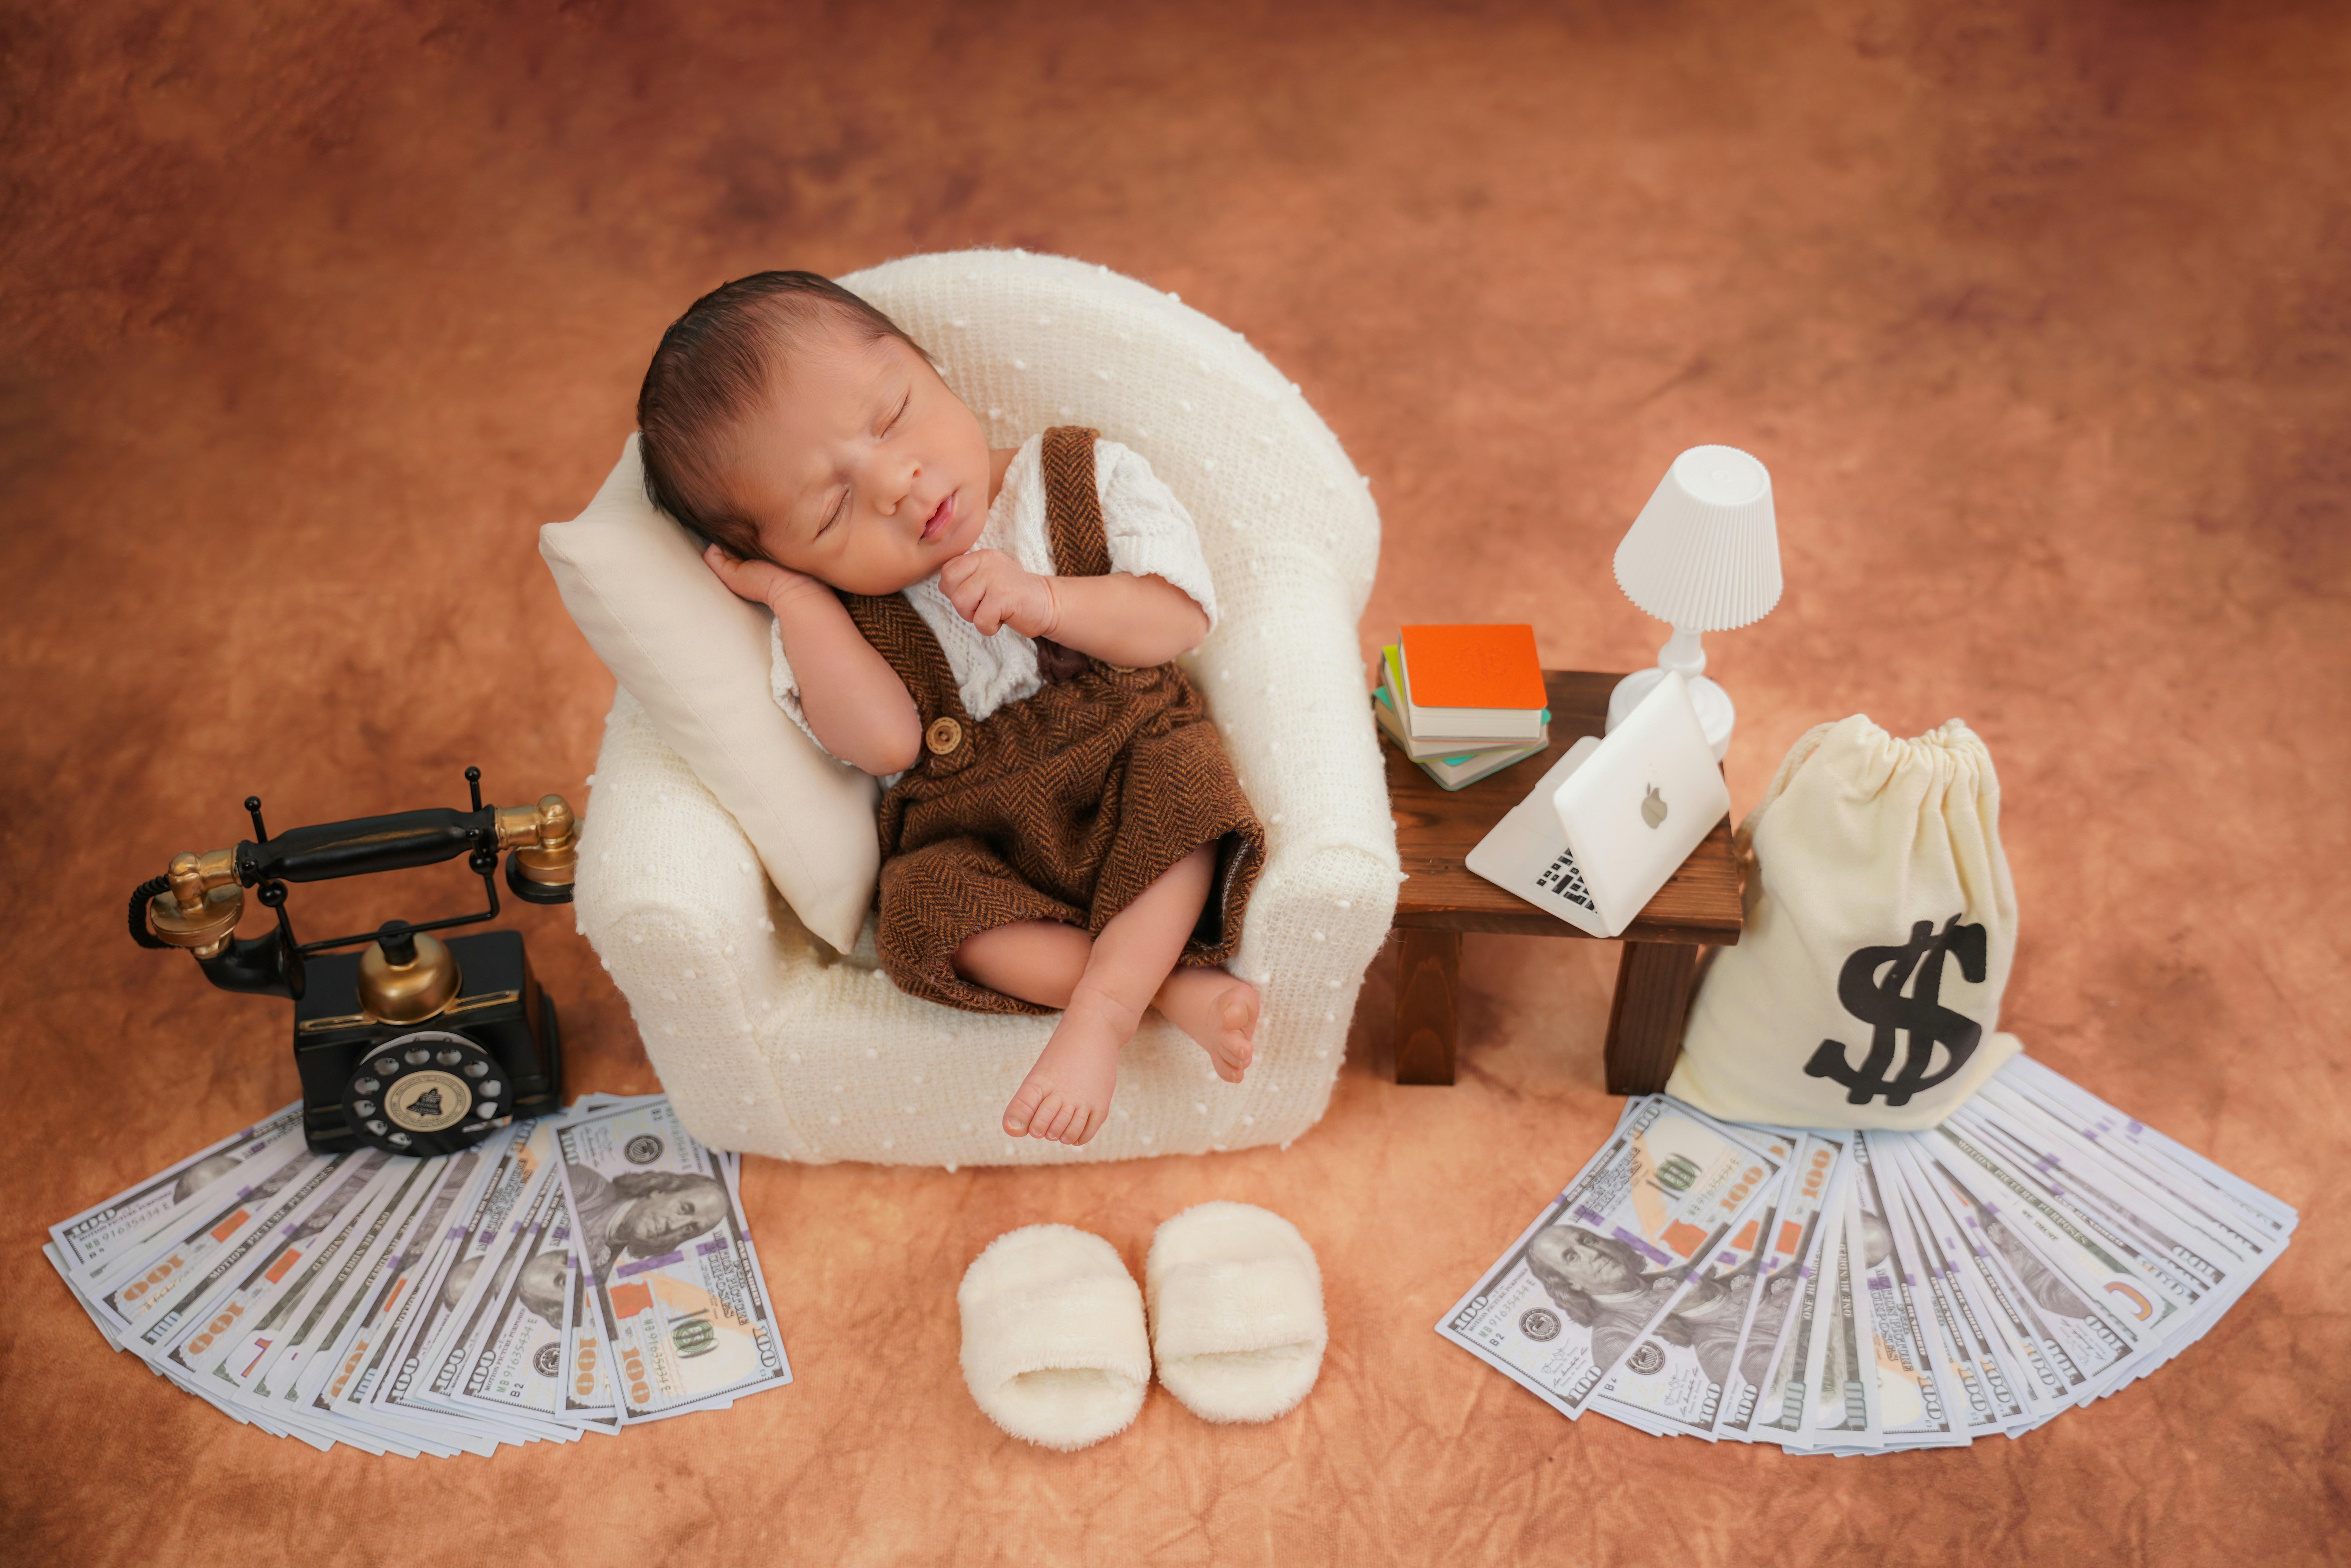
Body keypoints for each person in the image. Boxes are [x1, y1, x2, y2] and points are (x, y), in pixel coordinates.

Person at [636, 272, 1266, 1148]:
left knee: (1186, 788)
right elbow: (884, 739)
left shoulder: (1076, 474)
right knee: (919, 909)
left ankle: (1105, 1013)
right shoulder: (837, 615)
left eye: (892, 416)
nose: (895, 481)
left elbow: (1175, 621)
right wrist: (796, 598)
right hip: (977, 827)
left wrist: (1048, 600)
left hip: (1127, 754)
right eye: (831, 510)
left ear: (934, 370)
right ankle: (1172, 987)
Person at [568, 1167, 730, 1283]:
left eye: (688, 1230)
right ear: (660, 1191)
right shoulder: (585, 1186)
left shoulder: (601, 1273)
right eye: (683, 1209)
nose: (674, 1227)